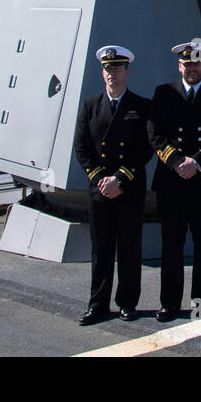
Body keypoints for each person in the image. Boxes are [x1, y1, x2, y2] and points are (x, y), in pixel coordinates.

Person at [149, 38, 201, 322]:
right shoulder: (163, 94)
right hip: (171, 182)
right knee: (171, 244)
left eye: (196, 62)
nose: (191, 67)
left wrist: (196, 162)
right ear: (179, 65)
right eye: (186, 63)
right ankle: (169, 304)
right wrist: (176, 162)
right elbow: (155, 135)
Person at [73, 45, 153, 325]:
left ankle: (128, 303)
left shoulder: (141, 106)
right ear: (102, 72)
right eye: (108, 68)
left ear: (127, 71)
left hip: (128, 187)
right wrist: (99, 179)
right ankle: (97, 305)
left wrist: (120, 178)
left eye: (117, 68)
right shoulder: (90, 105)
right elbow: (81, 148)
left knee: (130, 248)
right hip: (100, 190)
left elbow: (145, 148)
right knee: (102, 250)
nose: (112, 73)